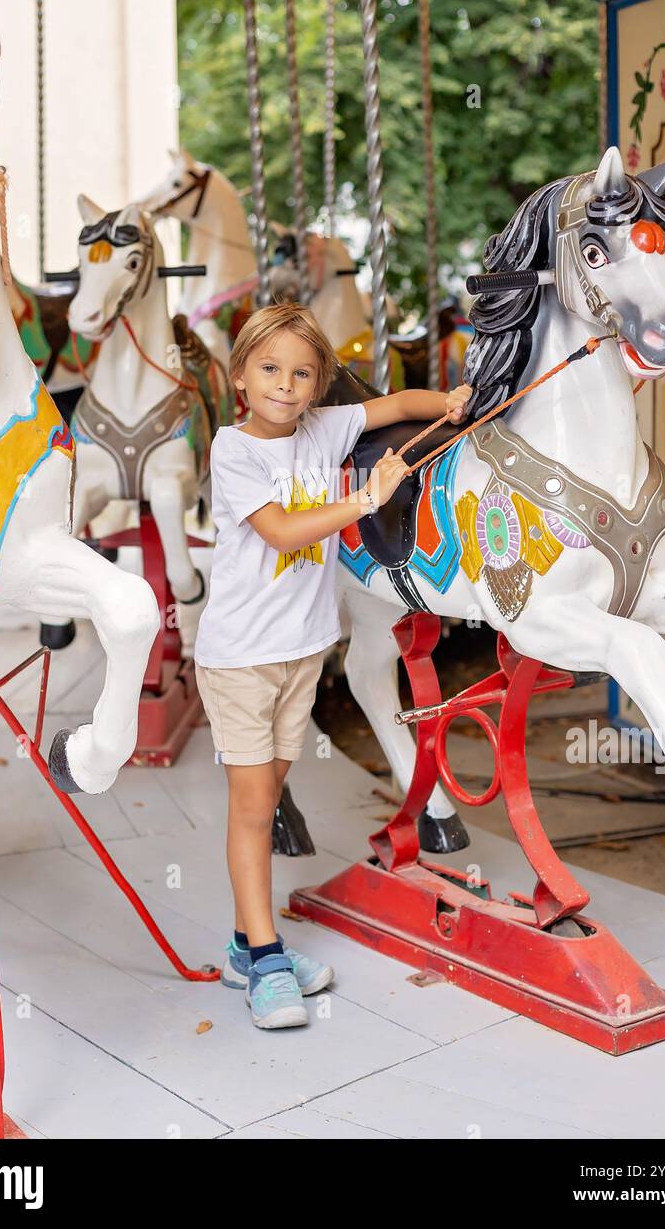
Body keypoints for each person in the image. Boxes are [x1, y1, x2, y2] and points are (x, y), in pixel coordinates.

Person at [194, 301, 473, 1030]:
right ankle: (266, 957)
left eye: (302, 374)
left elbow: (397, 405)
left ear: (318, 386)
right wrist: (363, 499)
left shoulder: (325, 426)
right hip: (243, 659)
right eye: (270, 370)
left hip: (302, 654)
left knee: (266, 796)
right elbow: (283, 531)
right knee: (254, 811)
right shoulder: (236, 450)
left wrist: (447, 401)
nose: (285, 386)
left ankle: (241, 946)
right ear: (241, 378)